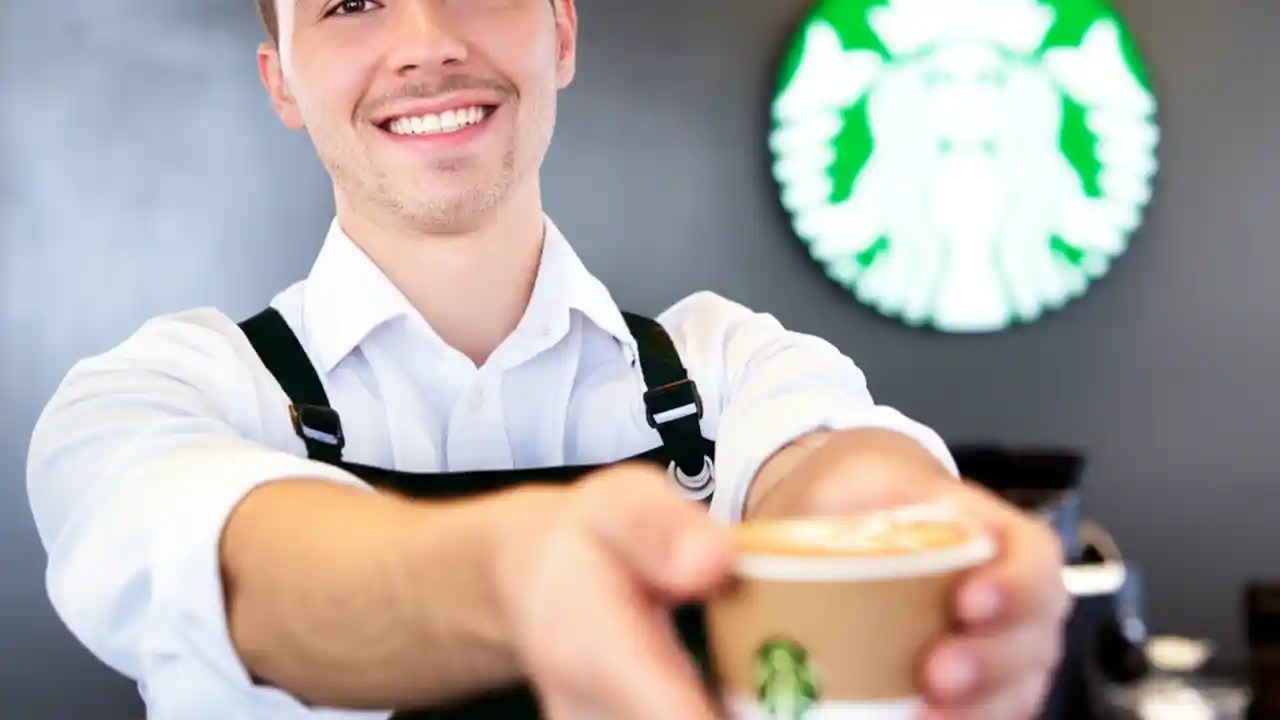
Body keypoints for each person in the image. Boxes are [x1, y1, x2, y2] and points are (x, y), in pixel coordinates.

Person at [25, 1, 1070, 718]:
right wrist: (514, 583)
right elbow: (240, 569)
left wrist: (921, 549)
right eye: (350, 1)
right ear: (282, 80)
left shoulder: (728, 362)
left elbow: (831, 464)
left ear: (560, 30)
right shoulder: (159, 398)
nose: (426, 42)